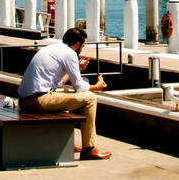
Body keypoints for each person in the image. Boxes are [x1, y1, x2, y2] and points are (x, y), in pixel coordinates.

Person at [18, 27, 110, 160]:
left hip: (26, 99)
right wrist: (97, 86)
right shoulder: (70, 53)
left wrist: (77, 68)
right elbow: (79, 86)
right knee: (90, 98)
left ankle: (68, 142)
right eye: (83, 46)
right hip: (38, 100)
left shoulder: (53, 48)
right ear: (77, 44)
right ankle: (89, 149)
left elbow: (58, 83)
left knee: (68, 93)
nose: (82, 49)